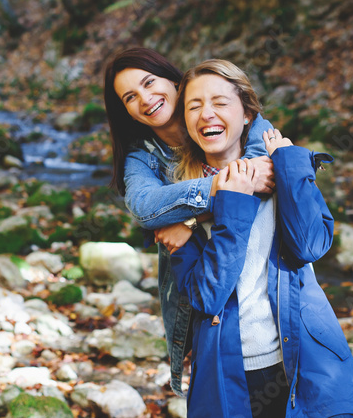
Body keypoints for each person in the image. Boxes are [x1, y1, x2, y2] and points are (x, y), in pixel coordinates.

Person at [168, 59, 353, 418]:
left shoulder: (279, 170)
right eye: (193, 106)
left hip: (311, 358)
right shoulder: (181, 204)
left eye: (219, 102)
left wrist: (293, 165)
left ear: (246, 113)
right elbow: (208, 296)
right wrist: (232, 203)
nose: (206, 113)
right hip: (231, 377)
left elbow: (309, 246)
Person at [103, 47, 274, 395]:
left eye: (150, 83)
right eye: (130, 97)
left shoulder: (236, 117)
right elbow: (144, 208)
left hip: (270, 291)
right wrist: (224, 187)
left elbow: (266, 173)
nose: (146, 99)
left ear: (175, 80)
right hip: (208, 298)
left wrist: (189, 220)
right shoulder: (143, 160)